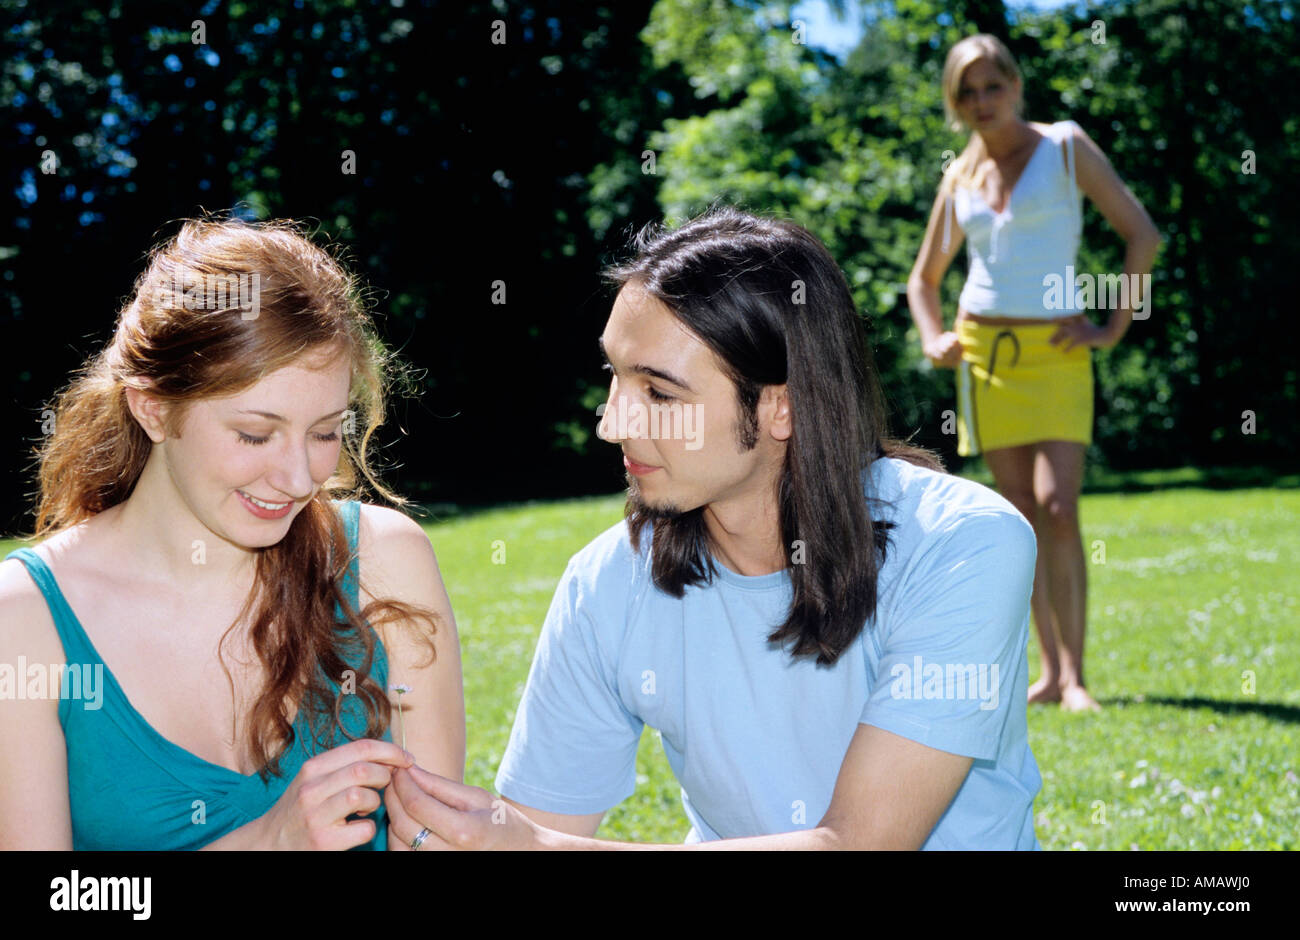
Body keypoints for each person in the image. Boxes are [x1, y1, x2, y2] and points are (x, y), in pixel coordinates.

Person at [381, 205, 1042, 850]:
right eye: (615, 375)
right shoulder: (607, 582)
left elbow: (860, 843)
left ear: (782, 406)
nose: (612, 424)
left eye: (660, 394)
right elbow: (536, 825)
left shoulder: (964, 545)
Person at [0, 218, 465, 850]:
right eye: (254, 434)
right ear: (153, 408)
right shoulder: (25, 618)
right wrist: (267, 842)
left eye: (325, 432)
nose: (300, 478)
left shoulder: (383, 559)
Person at [906, 34, 1162, 712]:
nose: (983, 101)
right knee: (1019, 516)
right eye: (968, 92)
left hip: (1058, 351)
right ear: (954, 104)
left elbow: (1142, 234)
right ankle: (1046, 677)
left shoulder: (1066, 147)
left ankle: (1075, 678)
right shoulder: (958, 175)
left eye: (993, 86)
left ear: (1016, 87)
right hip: (988, 358)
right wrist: (934, 339)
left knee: (1058, 507)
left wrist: (1110, 325)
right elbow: (923, 280)